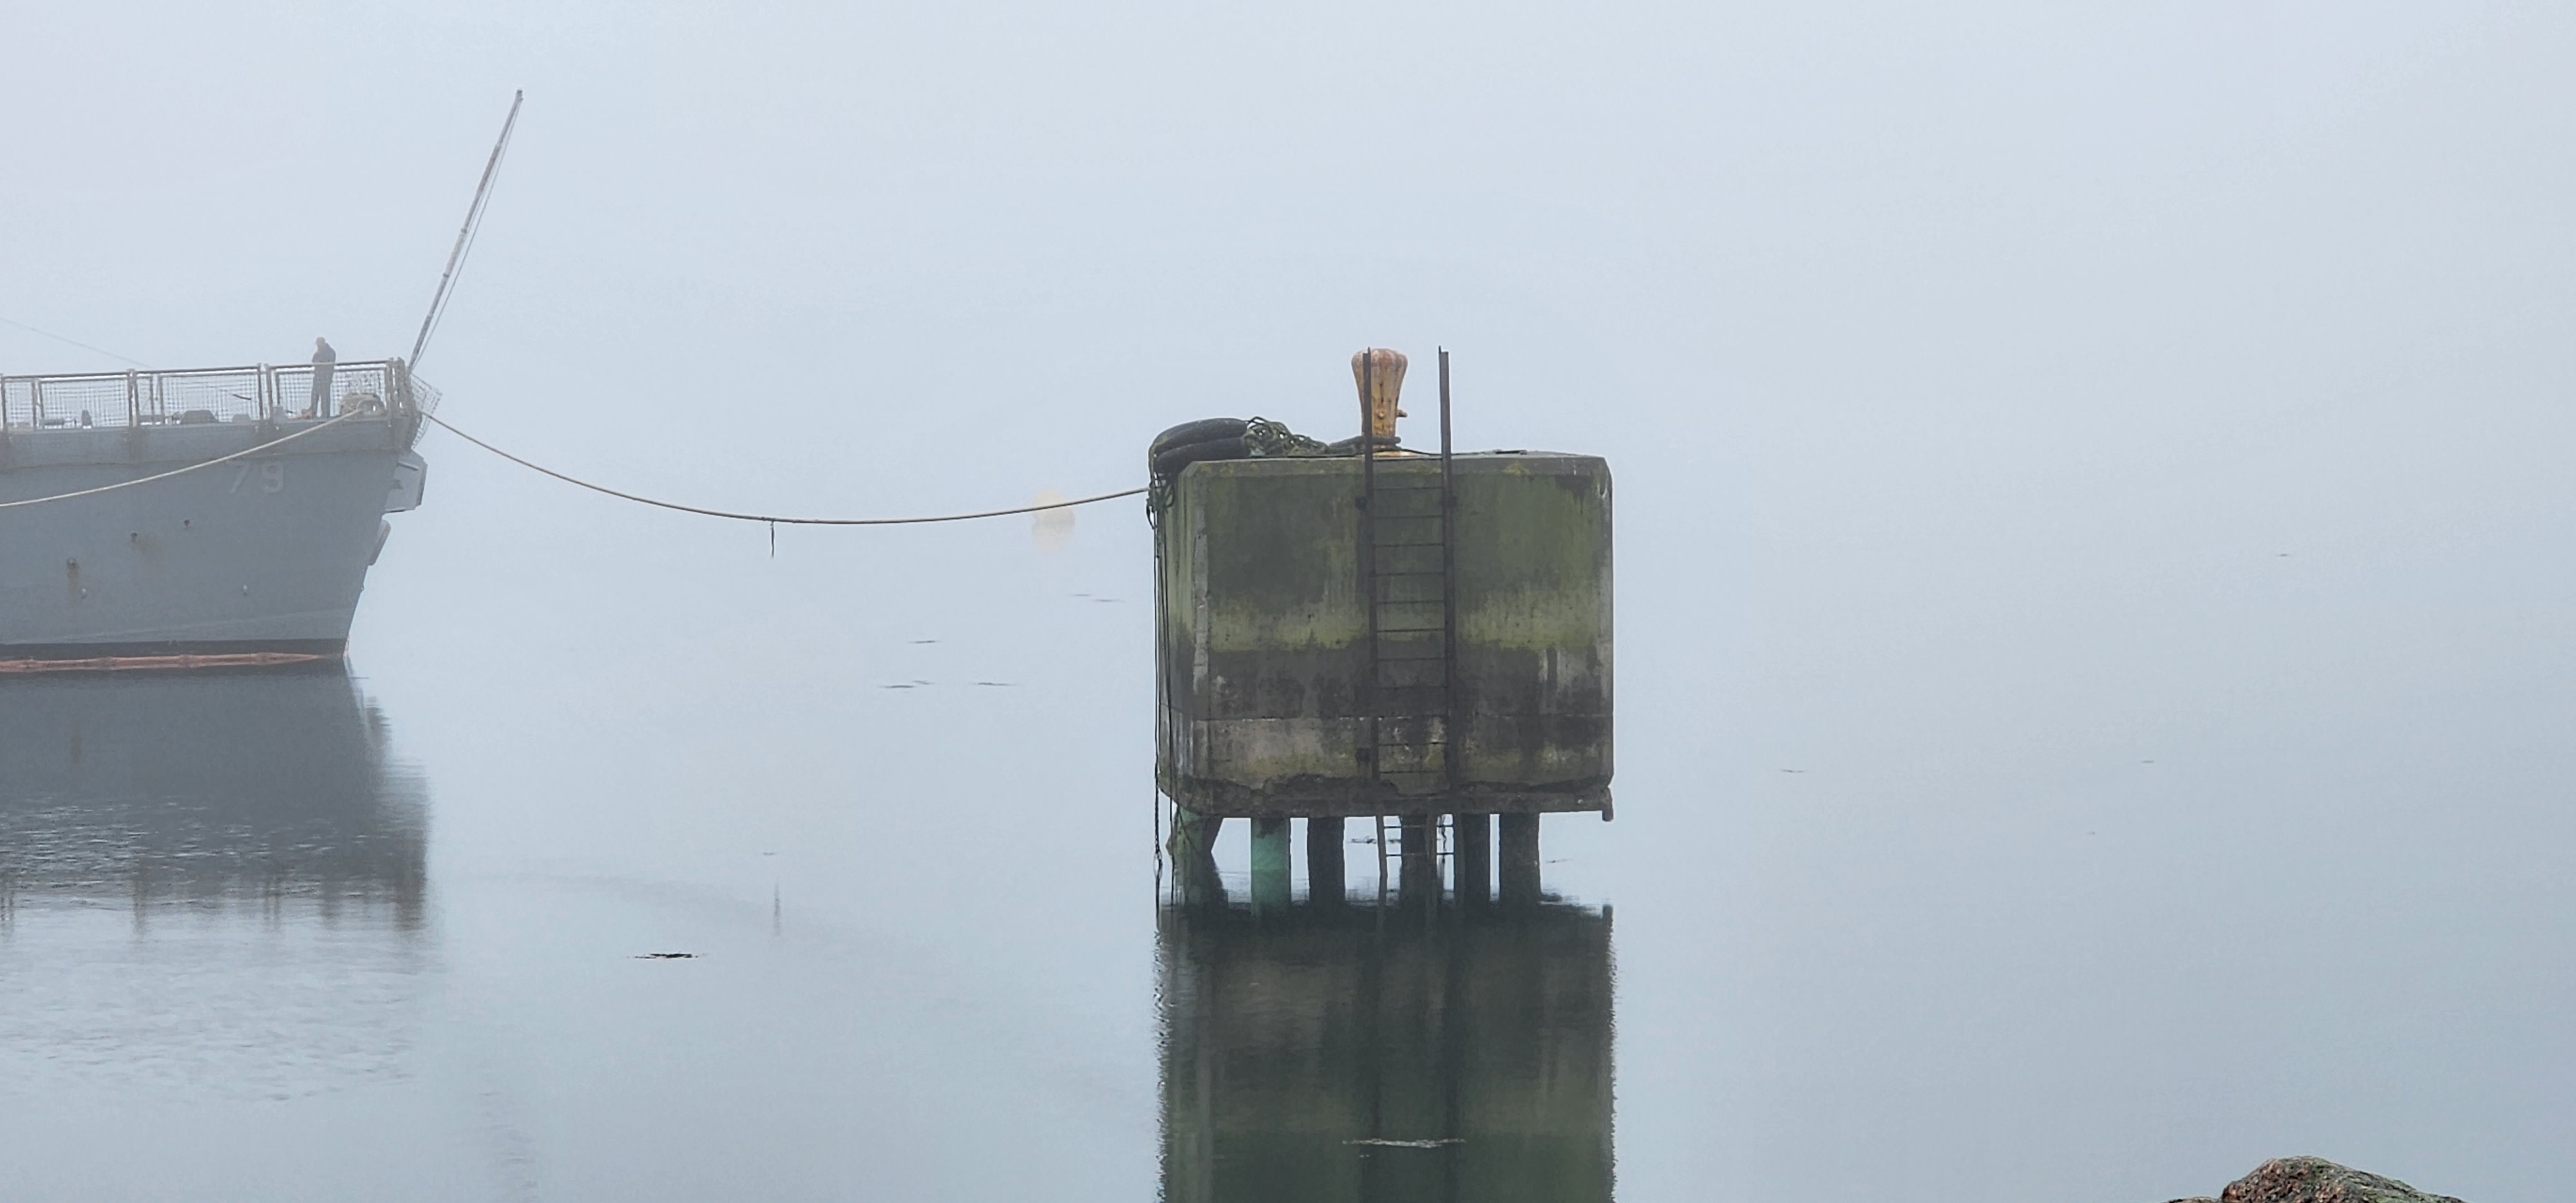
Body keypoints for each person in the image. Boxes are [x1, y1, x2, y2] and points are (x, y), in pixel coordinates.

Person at [307, 337, 336, 418]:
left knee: (317, 396)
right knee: (324, 397)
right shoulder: (332, 352)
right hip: (327, 378)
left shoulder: (320, 353)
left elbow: (314, 361)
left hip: (321, 378)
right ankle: (325, 414)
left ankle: (315, 413)